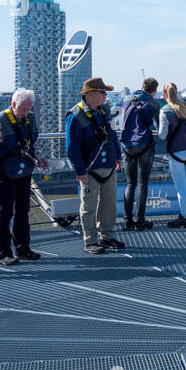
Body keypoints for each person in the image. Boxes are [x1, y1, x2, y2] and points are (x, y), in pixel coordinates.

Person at [0, 88, 50, 266]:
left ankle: (22, 248)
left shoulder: (29, 119)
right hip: (6, 173)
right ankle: (3, 253)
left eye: (29, 109)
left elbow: (31, 144)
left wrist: (40, 158)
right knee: (5, 213)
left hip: (24, 171)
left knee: (23, 211)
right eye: (23, 109)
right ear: (13, 104)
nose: (26, 112)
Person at [66, 77, 124, 255]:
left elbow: (112, 134)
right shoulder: (75, 115)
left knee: (110, 204)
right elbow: (72, 147)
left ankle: (107, 236)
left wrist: (118, 156)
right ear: (90, 94)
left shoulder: (103, 111)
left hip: (108, 164)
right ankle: (90, 240)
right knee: (89, 206)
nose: (105, 96)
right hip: (90, 169)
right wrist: (80, 170)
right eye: (102, 92)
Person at [157, 81, 186, 228]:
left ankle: (185, 217)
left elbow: (162, 135)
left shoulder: (165, 111)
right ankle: (185, 213)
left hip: (177, 151)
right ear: (177, 92)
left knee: (180, 187)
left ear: (164, 95)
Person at [121, 77, 160, 230]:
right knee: (142, 183)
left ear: (142, 86)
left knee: (130, 183)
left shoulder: (126, 100)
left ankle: (127, 220)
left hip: (127, 144)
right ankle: (140, 220)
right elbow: (159, 126)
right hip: (144, 144)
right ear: (154, 91)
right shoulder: (154, 104)